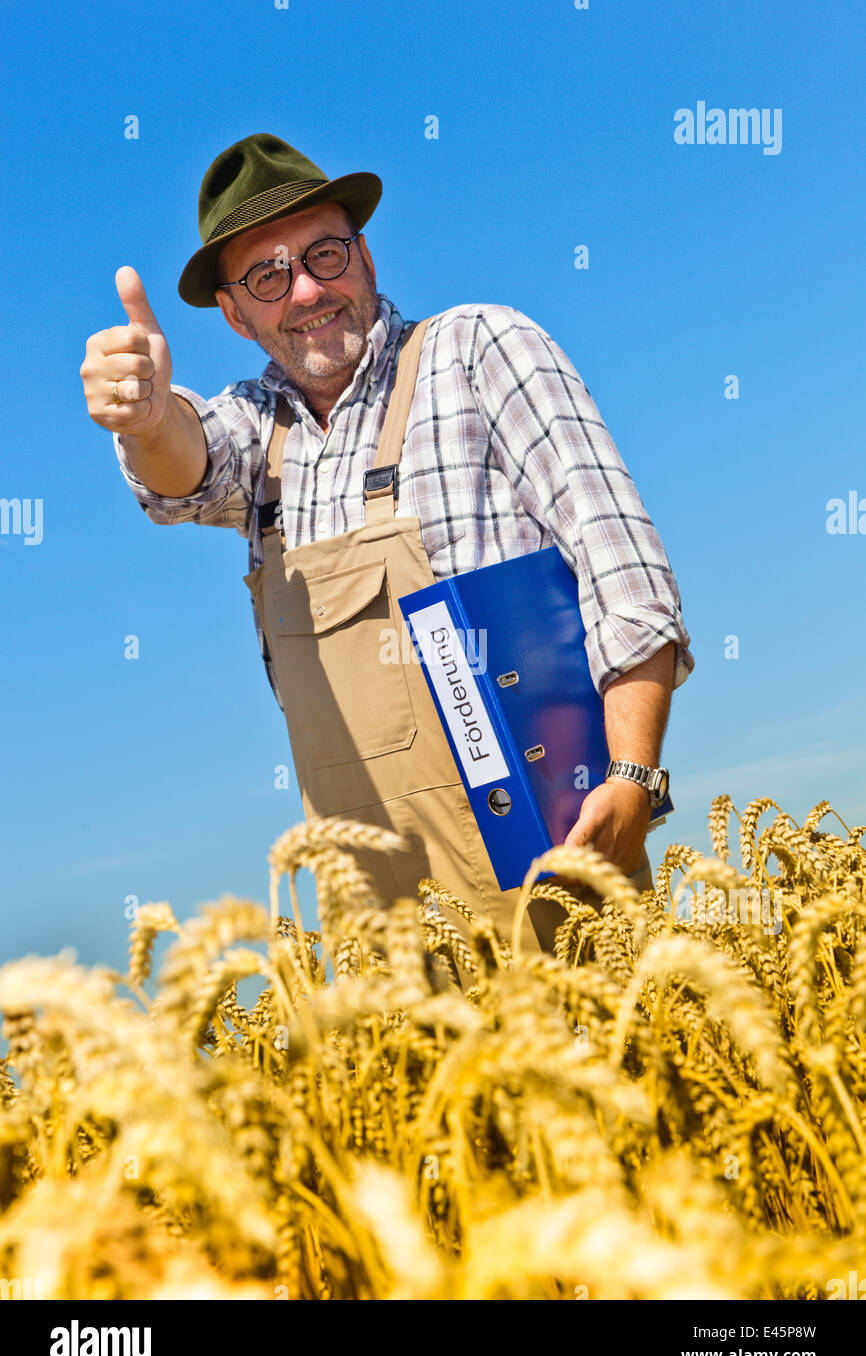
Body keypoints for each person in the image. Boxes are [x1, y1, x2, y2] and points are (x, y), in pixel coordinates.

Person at [80, 132, 695, 964]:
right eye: (266, 274)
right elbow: (179, 469)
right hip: (382, 959)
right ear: (234, 313)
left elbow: (624, 572)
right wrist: (148, 421)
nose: (305, 290)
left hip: (559, 893)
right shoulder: (255, 434)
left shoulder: (478, 350)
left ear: (364, 254)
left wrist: (634, 781)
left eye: (324, 253)